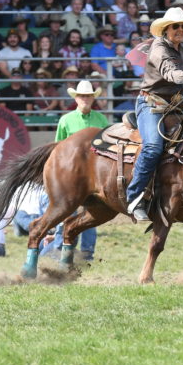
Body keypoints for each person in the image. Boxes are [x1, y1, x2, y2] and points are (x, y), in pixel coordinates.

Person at [125, 7, 183, 221]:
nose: (180, 29)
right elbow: (171, 74)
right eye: (176, 26)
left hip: (175, 105)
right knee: (153, 146)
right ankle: (134, 197)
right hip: (150, 104)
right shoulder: (158, 48)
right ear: (166, 29)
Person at [48, 79, 110, 263]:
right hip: (71, 176)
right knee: (67, 211)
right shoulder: (65, 120)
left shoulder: (101, 119)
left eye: (88, 96)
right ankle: (62, 249)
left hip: (94, 175)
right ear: (76, 98)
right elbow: (58, 149)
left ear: (93, 98)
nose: (85, 99)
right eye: (82, 96)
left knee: (92, 214)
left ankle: (86, 253)